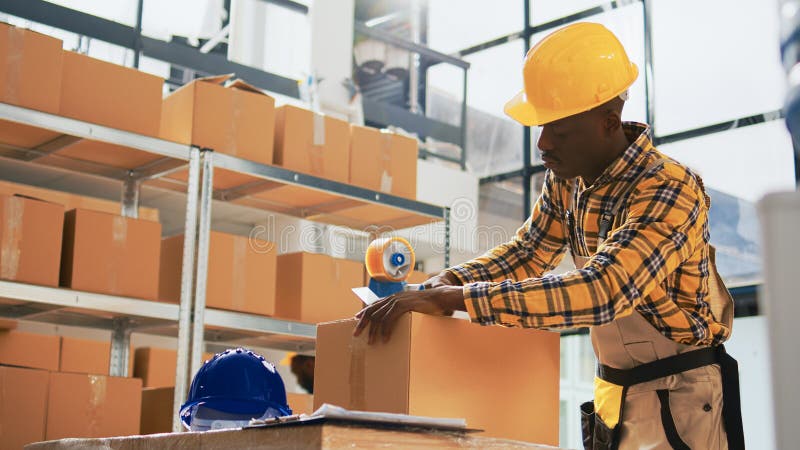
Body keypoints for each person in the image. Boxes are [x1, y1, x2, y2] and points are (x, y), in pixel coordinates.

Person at [354, 22, 744, 450]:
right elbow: (528, 252)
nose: (542, 143)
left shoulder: (668, 188)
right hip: (615, 394)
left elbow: (604, 289)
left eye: (559, 130)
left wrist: (459, 299)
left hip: (682, 396)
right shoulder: (568, 179)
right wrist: (448, 282)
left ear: (608, 122)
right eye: (541, 126)